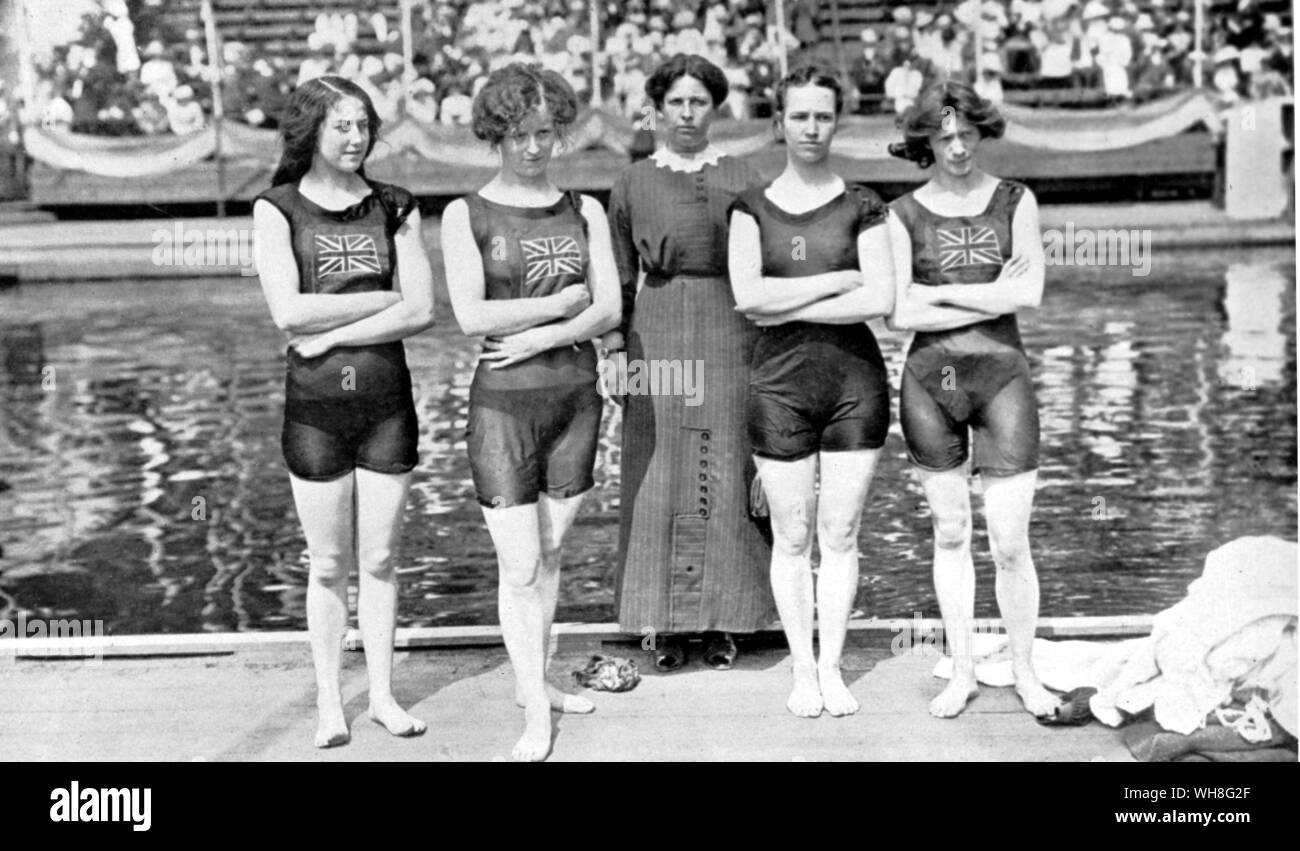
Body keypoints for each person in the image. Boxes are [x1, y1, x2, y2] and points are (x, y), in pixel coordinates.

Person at [440, 63, 621, 762]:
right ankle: (536, 714)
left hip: (575, 400)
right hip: (504, 408)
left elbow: (608, 305)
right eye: (519, 134)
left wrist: (547, 332)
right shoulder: (466, 214)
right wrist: (560, 302)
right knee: (518, 566)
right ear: (495, 133)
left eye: (547, 132)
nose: (535, 147)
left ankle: (534, 680)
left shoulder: (586, 211)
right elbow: (469, 313)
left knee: (548, 556)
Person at [252, 76, 436, 747]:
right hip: (316, 411)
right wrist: (379, 298)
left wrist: (329, 332)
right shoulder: (276, 209)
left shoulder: (395, 204)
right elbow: (287, 311)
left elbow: (422, 308)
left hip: (387, 404)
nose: (356, 137)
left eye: (363, 124)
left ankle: (383, 694)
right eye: (342, 125)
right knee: (328, 563)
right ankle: (332, 701)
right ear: (310, 132)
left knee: (382, 557)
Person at [886, 81, 1059, 719]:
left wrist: (939, 298)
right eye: (943, 135)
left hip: (1002, 377)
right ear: (925, 140)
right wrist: (989, 292)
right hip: (931, 382)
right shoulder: (901, 213)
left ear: (983, 131)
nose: (956, 147)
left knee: (1010, 541)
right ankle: (961, 672)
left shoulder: (1016, 201)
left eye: (966, 133)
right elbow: (898, 307)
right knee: (952, 530)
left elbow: (1031, 293)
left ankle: (1025, 671)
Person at [728, 66, 894, 717]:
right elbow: (748, 299)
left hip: (855, 385)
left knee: (842, 530)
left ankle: (832, 667)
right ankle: (802, 668)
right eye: (800, 116)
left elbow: (880, 298)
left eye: (823, 115)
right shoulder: (751, 207)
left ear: (837, 120)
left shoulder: (864, 203)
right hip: (779, 389)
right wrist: (836, 281)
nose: (812, 127)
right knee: (793, 533)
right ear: (780, 122)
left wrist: (784, 301)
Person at [603, 53, 776, 672]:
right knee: (660, 475)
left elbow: (770, 267)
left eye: (698, 102)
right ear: (655, 108)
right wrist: (615, 351)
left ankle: (728, 623)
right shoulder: (631, 182)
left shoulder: (746, 177)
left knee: (724, 464)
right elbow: (620, 277)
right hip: (656, 332)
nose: (685, 113)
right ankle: (659, 627)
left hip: (731, 332)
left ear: (715, 108)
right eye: (674, 102)